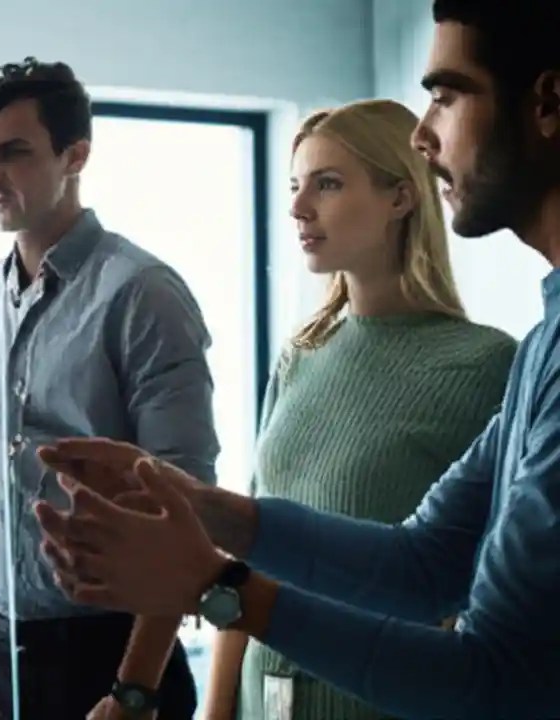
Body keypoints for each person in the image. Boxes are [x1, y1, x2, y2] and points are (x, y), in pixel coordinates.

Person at [34, 1, 560, 717]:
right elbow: (423, 563)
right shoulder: (541, 348)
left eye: (445, 95)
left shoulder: (492, 360)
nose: (423, 131)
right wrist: (197, 506)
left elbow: (500, 679)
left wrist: (215, 588)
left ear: (548, 103)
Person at [194, 99, 516, 720]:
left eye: (328, 184)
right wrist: (214, 711)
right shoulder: (299, 359)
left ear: (401, 196)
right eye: (295, 186)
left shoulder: (483, 364)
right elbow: (247, 554)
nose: (297, 208)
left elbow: (479, 595)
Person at [0, 57, 219, 720]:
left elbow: (187, 507)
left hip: (110, 657)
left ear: (75, 155)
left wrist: (133, 691)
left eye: (13, 153)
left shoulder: (143, 294)